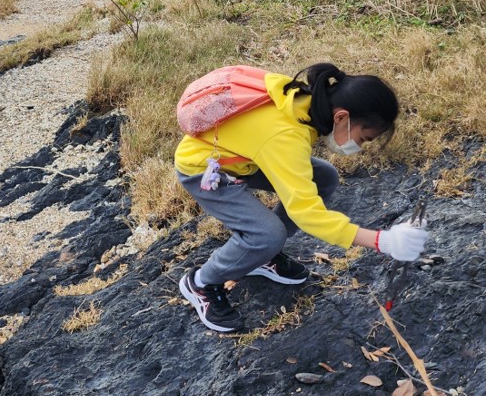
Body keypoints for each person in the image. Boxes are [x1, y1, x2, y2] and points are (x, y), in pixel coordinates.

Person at [175, 62, 428, 334]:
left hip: (241, 156)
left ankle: (260, 256)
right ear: (342, 117)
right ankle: (202, 282)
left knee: (325, 177)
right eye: (363, 138)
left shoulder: (300, 99)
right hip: (205, 170)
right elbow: (306, 213)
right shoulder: (285, 136)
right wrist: (383, 240)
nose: (361, 147)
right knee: (267, 235)